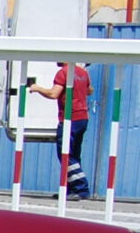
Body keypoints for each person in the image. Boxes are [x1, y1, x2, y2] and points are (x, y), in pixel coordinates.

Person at [34, 59, 95, 199]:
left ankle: (81, 189)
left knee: (65, 154)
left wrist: (37, 88)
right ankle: (70, 189)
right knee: (74, 154)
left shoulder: (63, 72)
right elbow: (90, 90)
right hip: (82, 117)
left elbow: (53, 94)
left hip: (70, 118)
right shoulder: (82, 72)